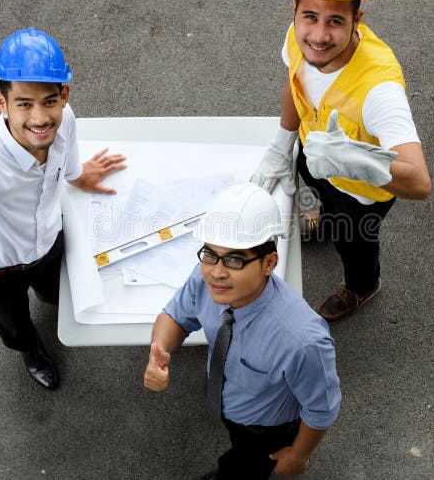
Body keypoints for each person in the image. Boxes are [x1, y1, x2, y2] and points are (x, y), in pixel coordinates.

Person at [0, 28, 127, 390]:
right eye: (24, 103)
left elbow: (69, 159)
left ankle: (49, 297)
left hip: (49, 241)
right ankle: (30, 350)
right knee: (14, 322)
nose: (40, 118)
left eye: (49, 101)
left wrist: (79, 175)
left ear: (64, 95)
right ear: (1, 103)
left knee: (52, 290)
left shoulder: (68, 120)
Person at [251, 0, 432, 323]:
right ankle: (324, 218)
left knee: (352, 239)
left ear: (357, 19)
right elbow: (294, 84)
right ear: (295, 13)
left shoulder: (379, 89)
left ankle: (362, 285)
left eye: (335, 21)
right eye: (310, 17)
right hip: (313, 154)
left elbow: (419, 182)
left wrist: (357, 161)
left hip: (360, 194)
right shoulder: (296, 40)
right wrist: (283, 144)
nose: (318, 35)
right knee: (319, 195)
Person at [143, 183, 341, 479]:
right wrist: (159, 354)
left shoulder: (303, 341)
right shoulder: (208, 277)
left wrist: (298, 456)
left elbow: (321, 408)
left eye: (234, 259)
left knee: (244, 467)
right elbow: (175, 316)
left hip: (266, 430)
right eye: (210, 254)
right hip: (232, 403)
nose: (217, 272)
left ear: (269, 263)